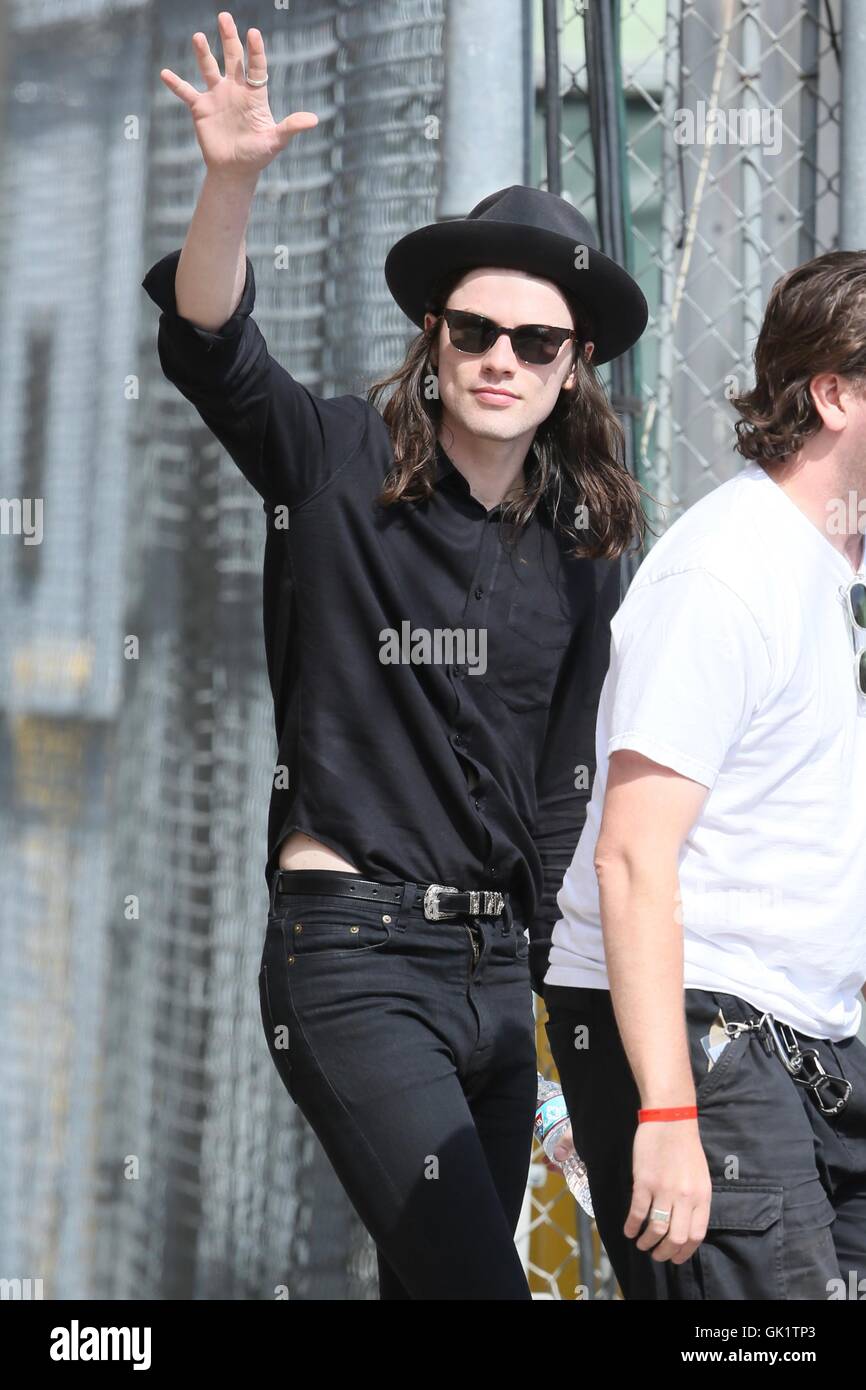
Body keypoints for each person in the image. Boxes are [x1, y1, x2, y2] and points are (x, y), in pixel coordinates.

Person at [142, 12, 648, 1299]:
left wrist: (562, 1000)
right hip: (353, 956)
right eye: (474, 332)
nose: (499, 361)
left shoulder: (582, 543)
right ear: (434, 334)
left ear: (571, 366)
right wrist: (231, 180)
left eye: (534, 344)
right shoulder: (331, 463)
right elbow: (213, 350)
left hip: (498, 978)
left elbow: (564, 783)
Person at [545, 247, 866, 1300]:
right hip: (707, 1037)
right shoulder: (724, 574)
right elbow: (632, 855)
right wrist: (670, 1113)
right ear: (831, 394)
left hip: (814, 1039)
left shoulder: (823, 565)